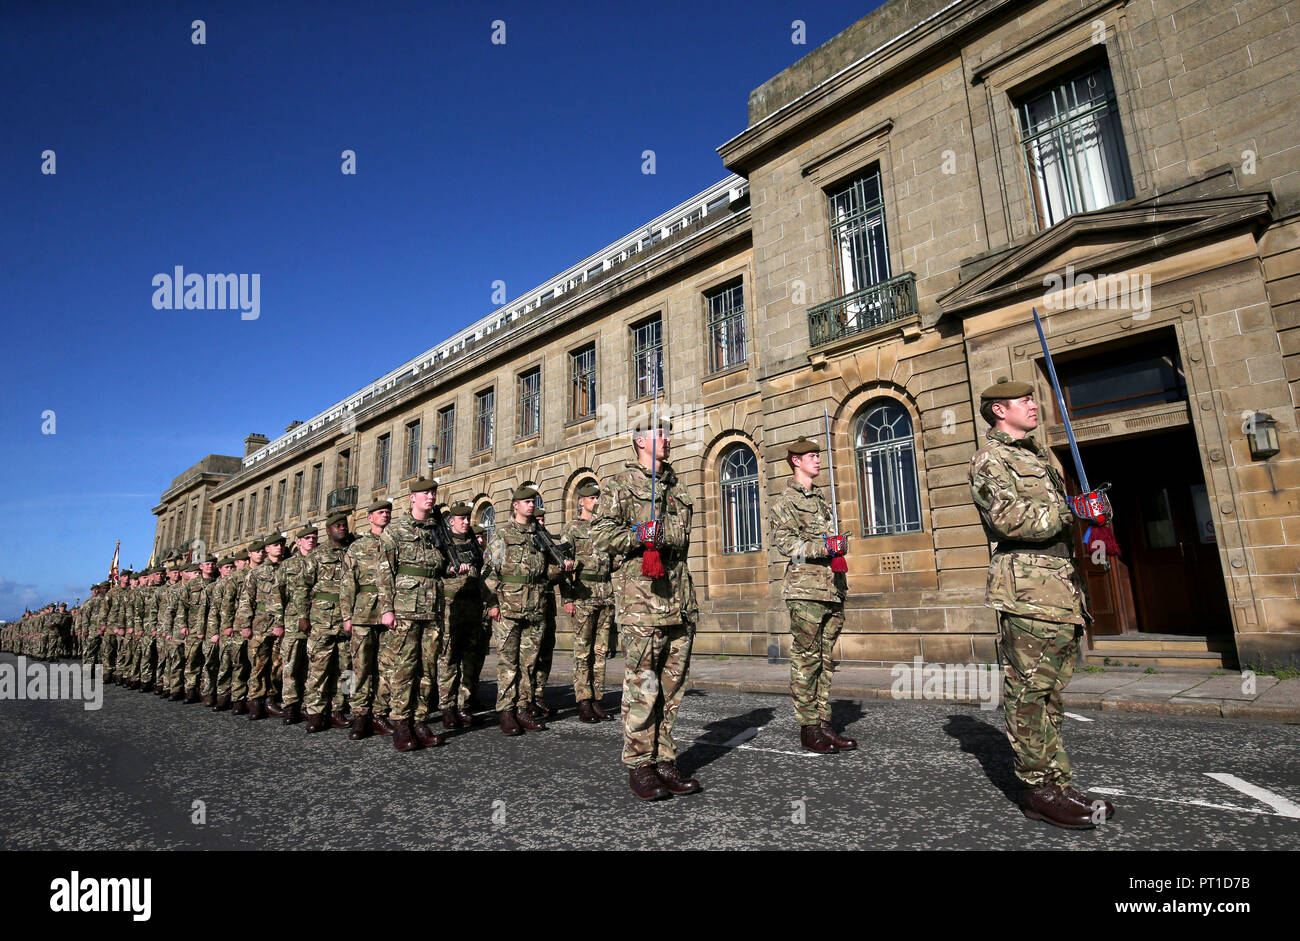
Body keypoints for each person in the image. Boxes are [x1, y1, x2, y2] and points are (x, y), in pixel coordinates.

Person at [969, 378, 1115, 830]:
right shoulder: (991, 459)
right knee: (1029, 692)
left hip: (1058, 586)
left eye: (1033, 398)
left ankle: (1058, 780)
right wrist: (1072, 509)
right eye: (1023, 400)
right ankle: (1038, 790)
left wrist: (1089, 513)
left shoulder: (1034, 455)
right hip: (1027, 589)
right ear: (998, 410)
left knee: (1051, 692)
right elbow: (1009, 520)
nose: (1034, 405)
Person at [591, 418, 701, 800]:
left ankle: (665, 757)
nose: (667, 440)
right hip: (641, 601)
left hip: (678, 597)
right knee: (643, 685)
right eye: (659, 435)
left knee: (672, 686)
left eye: (668, 435)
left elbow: (682, 538)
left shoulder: (676, 485)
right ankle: (640, 764)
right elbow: (600, 537)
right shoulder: (619, 486)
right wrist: (639, 535)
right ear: (640, 442)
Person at [767, 438, 856, 753]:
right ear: (795, 461)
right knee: (806, 659)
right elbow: (788, 547)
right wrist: (825, 547)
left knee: (826, 659)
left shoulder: (821, 500)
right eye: (811, 456)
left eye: (818, 455)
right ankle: (808, 727)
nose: (818, 460)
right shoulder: (786, 502)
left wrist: (837, 546)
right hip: (806, 590)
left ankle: (823, 722)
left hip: (831, 587)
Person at [483, 487, 572, 735]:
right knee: (508, 663)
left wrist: (562, 568)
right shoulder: (502, 534)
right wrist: (491, 604)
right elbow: (490, 571)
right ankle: (506, 711)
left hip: (535, 608)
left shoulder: (540, 535)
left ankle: (523, 708)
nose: (530, 505)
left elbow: (547, 573)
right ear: (515, 505)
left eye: (533, 501)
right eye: (525, 502)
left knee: (529, 664)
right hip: (508, 609)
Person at [376, 479, 447, 751]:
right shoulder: (395, 530)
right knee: (403, 668)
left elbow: (439, 566)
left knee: (428, 668)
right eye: (425, 493)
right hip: (405, 608)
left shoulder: (436, 530)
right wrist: (387, 608)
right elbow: (384, 572)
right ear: (412, 498)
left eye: (433, 493)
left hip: (432, 608)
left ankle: (420, 720)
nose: (430, 497)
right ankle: (401, 723)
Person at [341, 500, 394, 739]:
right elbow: (347, 583)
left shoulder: (395, 542)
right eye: (380, 512)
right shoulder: (357, 547)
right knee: (360, 667)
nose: (385, 515)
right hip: (363, 612)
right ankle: (359, 715)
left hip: (390, 611)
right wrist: (346, 615)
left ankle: (380, 714)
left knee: (387, 666)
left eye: (387, 512)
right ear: (369, 517)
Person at [296, 512, 353, 732]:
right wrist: (303, 615)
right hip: (321, 620)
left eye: (344, 525)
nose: (342, 528)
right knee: (318, 669)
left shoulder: (352, 552)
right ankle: (316, 712)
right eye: (337, 526)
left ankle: (340, 709)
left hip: (347, 620)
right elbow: (303, 587)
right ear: (328, 531)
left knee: (347, 668)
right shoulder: (317, 555)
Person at [563, 483, 615, 723]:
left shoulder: (605, 527)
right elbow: (563, 565)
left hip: (605, 594)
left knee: (601, 650)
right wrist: (567, 598)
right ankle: (583, 700)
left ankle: (596, 699)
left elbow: (613, 560)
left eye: (598, 498)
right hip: (583, 594)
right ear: (581, 501)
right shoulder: (572, 529)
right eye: (592, 498)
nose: (596, 502)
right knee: (583, 651)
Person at [435, 502, 489, 728]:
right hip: (451, 606)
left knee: (469, 658)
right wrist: (451, 569)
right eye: (461, 518)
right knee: (448, 657)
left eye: (468, 518)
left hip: (473, 606)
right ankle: (447, 706)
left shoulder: (473, 544)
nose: (466, 522)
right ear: (451, 521)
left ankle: (463, 704)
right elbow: (436, 569)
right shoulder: (443, 543)